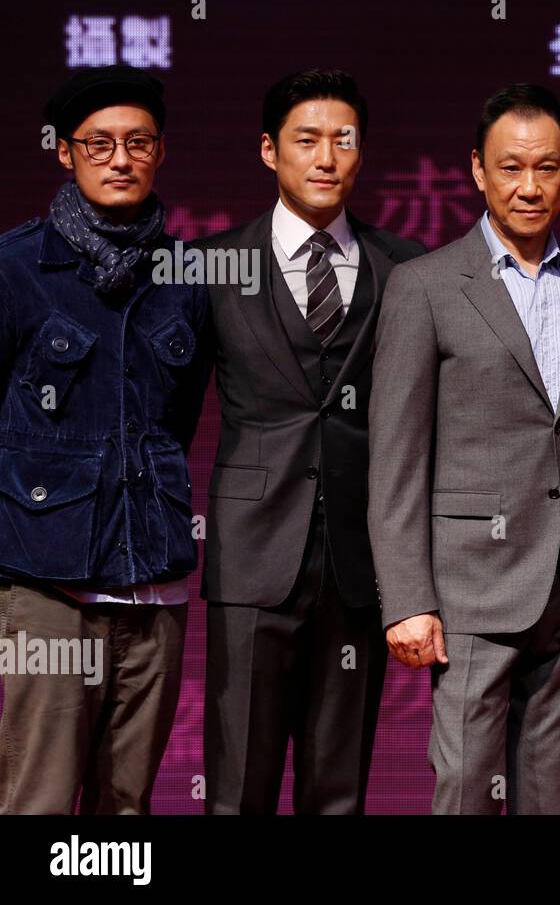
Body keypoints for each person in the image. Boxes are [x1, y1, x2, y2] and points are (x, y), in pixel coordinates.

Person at [368, 84, 560, 814]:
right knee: (465, 789)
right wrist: (407, 599)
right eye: (511, 167)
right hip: (470, 586)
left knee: (552, 791)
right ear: (477, 171)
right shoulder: (426, 285)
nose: (529, 185)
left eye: (547, 167)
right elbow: (396, 456)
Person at [196, 69, 424, 814]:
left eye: (344, 140)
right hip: (251, 560)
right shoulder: (213, 266)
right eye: (306, 140)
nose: (326, 157)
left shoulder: (407, 269)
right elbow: (166, 409)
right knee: (237, 789)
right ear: (269, 151)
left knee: (339, 793)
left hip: (359, 565)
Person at [0, 65, 212, 813]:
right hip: (46, 589)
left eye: (138, 143)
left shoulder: (188, 277)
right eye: (99, 144)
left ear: (160, 153)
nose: (120, 159)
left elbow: (176, 419)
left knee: (127, 810)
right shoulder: (15, 268)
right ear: (64, 151)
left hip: (154, 586)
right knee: (39, 800)